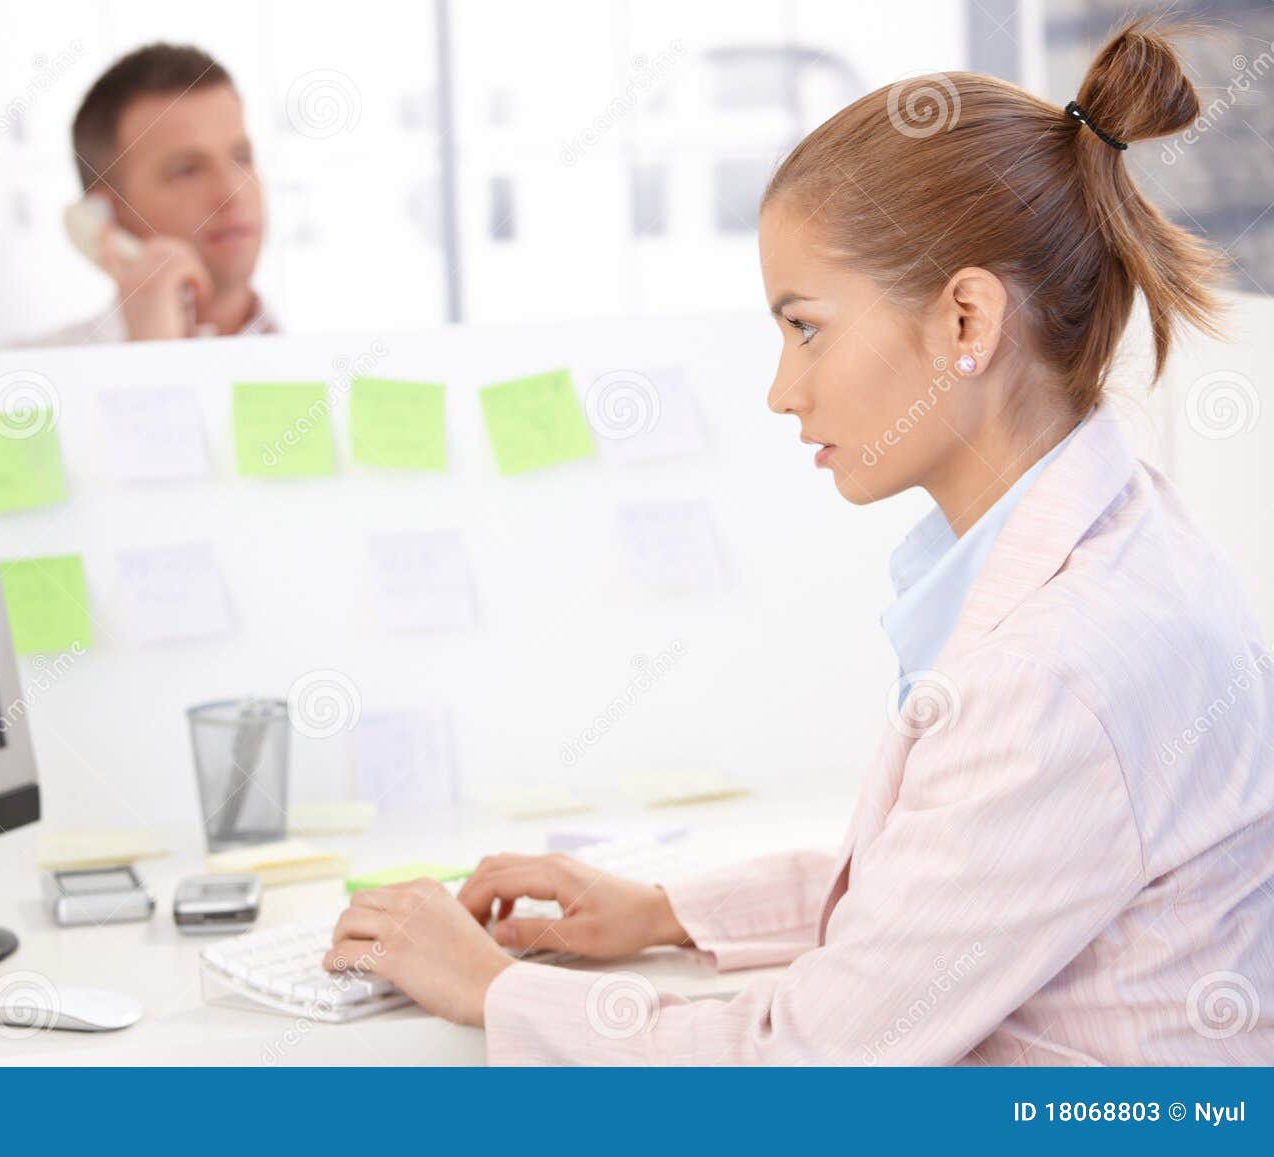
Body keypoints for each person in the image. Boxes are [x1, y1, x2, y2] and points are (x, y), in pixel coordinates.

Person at [323, 18, 1274, 1065]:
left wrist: (493, 989)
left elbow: (806, 1063)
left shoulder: (1061, 667)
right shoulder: (1122, 538)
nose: (782, 391)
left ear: (965, 322)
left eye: (806, 326)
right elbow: (935, 892)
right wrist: (663, 909)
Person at [35, 43, 276, 346]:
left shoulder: (334, 366)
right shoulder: (26, 373)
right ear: (107, 214)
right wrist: (152, 352)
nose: (232, 193)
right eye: (188, 170)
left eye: (241, 158)